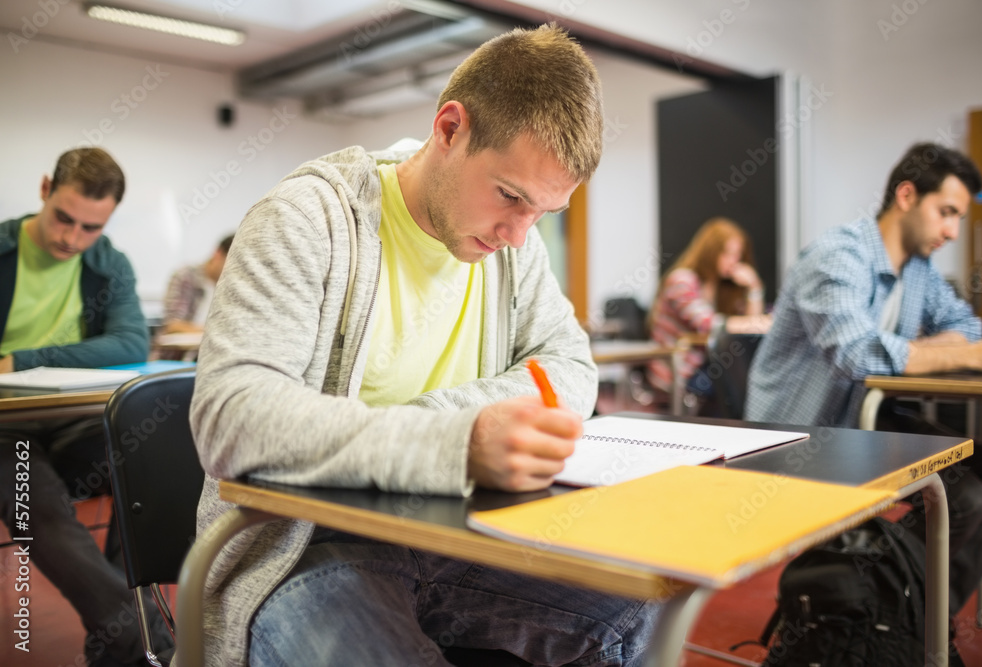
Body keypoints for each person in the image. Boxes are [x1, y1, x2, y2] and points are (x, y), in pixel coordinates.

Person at [190, 24, 660, 667]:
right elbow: (231, 417)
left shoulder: (509, 248)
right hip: (307, 547)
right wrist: (458, 443)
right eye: (511, 196)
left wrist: (463, 433)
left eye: (543, 214)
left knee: (643, 603)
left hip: (458, 537)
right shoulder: (308, 218)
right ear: (449, 129)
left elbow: (571, 366)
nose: (521, 237)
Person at [745, 143, 982, 645]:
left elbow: (965, 328)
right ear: (907, 195)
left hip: (863, 416)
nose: (952, 231)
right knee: (964, 492)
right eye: (946, 212)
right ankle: (883, 614)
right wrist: (962, 353)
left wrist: (929, 348)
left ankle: (905, 621)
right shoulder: (838, 254)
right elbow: (858, 356)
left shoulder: (920, 272)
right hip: (800, 435)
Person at [0, 147, 162, 666]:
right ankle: (134, 639)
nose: (72, 238)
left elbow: (129, 346)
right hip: (4, 431)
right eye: (63, 219)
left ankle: (122, 637)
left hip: (74, 422)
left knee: (145, 463)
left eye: (90, 227)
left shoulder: (108, 261)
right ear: (45, 189)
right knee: (36, 499)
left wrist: (18, 359)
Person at [647, 217, 771, 399]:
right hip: (681, 370)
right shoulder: (681, 280)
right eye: (727, 254)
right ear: (711, 252)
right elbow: (709, 324)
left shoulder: (723, 287)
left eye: (738, 255)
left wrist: (754, 287)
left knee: (753, 380)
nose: (734, 261)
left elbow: (749, 329)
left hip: (710, 364)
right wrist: (759, 323)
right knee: (745, 387)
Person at [161, 233, 234, 334]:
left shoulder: (232, 285)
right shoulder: (186, 276)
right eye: (231, 263)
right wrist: (215, 334)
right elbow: (173, 326)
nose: (234, 269)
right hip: (184, 348)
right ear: (218, 254)